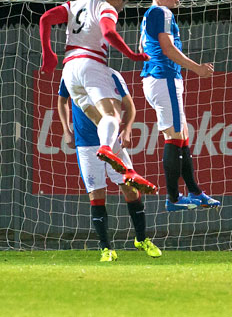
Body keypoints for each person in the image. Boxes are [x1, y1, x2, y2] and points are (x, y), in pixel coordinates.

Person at [39, 0, 151, 180]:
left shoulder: (76, 4)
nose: (121, 9)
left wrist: (48, 54)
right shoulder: (107, 7)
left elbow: (45, 18)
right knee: (113, 115)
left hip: (69, 70)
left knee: (104, 124)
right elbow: (108, 32)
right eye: (122, 5)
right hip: (90, 64)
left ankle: (128, 171)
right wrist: (132, 55)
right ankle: (107, 149)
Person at [57, 69, 161, 261]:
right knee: (96, 195)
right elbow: (62, 100)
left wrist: (128, 129)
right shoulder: (70, 73)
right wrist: (66, 129)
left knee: (131, 189)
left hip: (111, 142)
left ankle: (141, 239)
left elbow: (130, 105)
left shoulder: (111, 74)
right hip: (86, 145)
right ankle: (106, 248)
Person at [139, 0, 221, 211]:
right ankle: (173, 198)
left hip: (159, 79)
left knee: (182, 137)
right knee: (175, 139)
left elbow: (143, 47)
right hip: (164, 79)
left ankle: (195, 191)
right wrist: (196, 68)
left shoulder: (149, 15)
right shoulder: (162, 12)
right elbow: (166, 48)